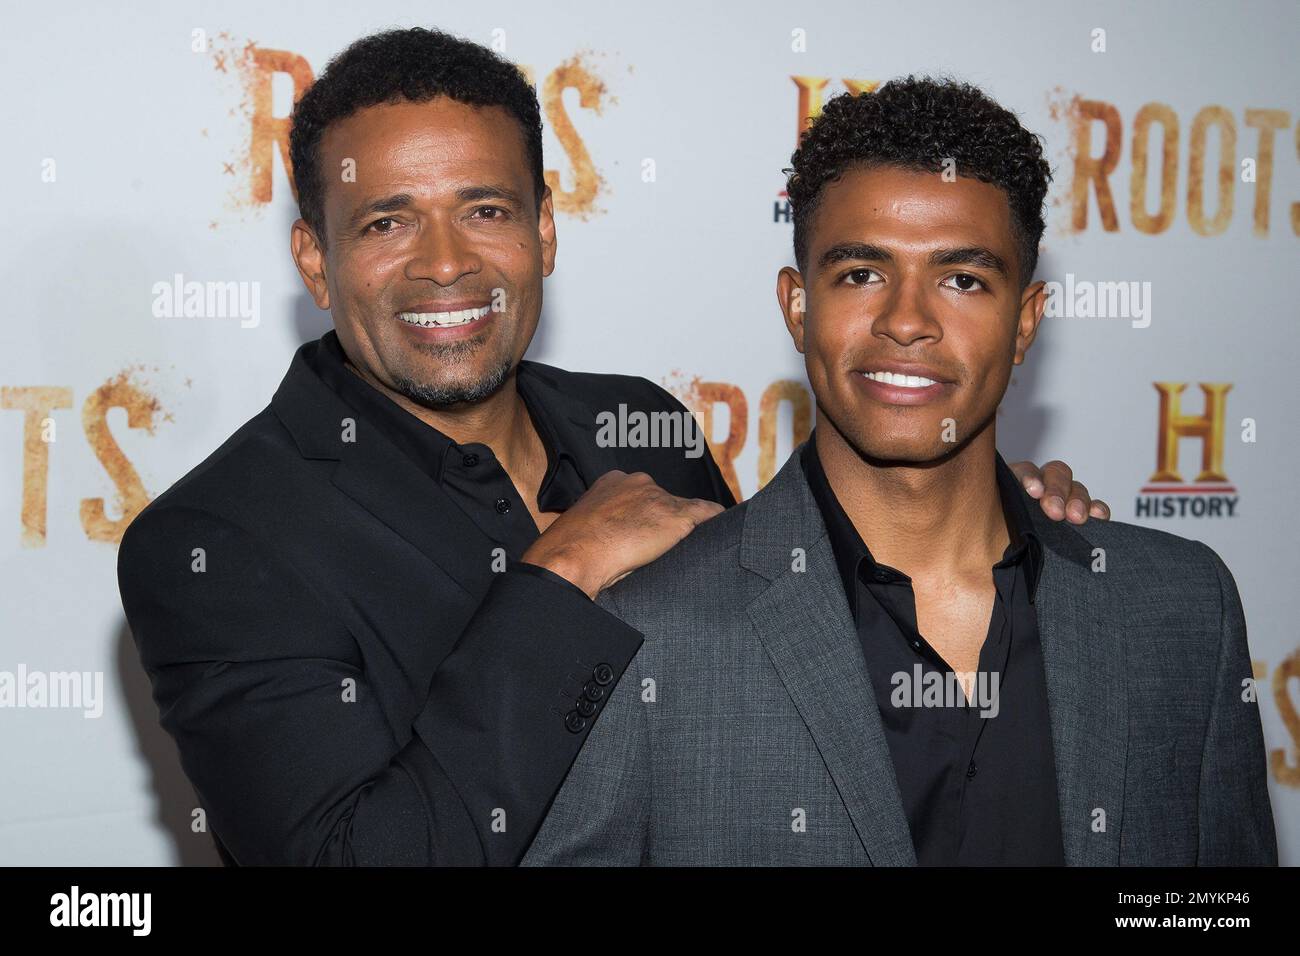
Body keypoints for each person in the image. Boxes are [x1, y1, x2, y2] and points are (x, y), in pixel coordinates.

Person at [118, 30, 1105, 866]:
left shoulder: (640, 422)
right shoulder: (216, 540)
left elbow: (781, 673)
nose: (447, 262)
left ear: (544, 231)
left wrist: (956, 516)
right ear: (314, 260)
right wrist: (559, 578)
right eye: (387, 221)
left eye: (486, 210)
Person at [522, 76, 1276, 866]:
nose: (908, 320)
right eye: (861, 274)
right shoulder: (647, 630)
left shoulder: (1182, 611)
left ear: (1025, 323)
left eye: (963, 279)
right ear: (796, 306)